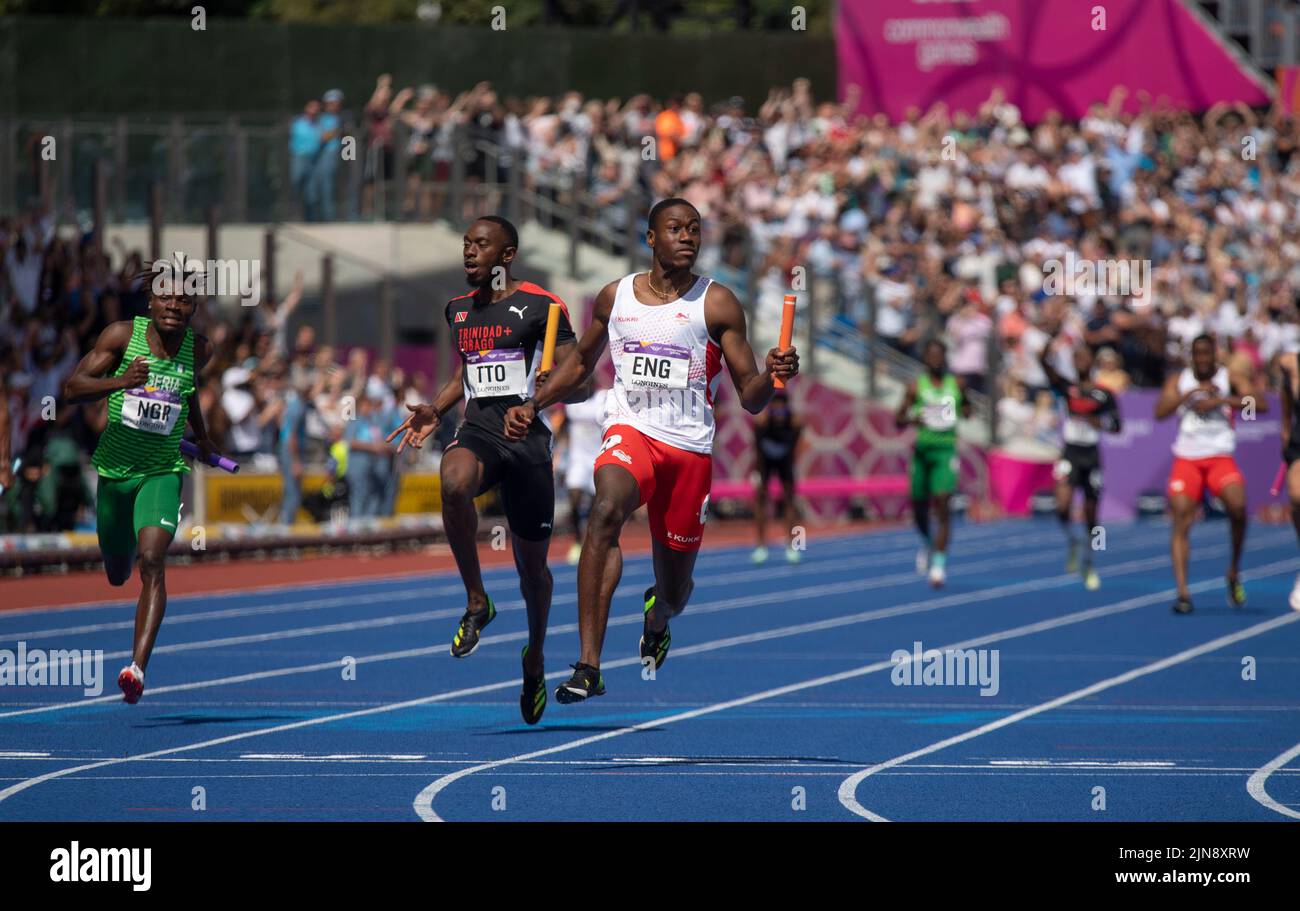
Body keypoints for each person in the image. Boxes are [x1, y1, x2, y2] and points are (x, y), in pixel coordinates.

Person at [503, 197, 799, 704]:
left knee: (677, 591)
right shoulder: (615, 297)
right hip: (630, 429)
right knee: (605, 511)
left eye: (695, 230)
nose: (688, 237)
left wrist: (773, 376)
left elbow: (750, 396)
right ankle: (589, 665)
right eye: (676, 228)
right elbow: (580, 365)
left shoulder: (717, 302)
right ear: (650, 238)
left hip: (689, 449)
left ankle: (657, 616)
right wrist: (535, 402)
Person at [387, 216, 581, 725]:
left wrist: (535, 402)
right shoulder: (457, 311)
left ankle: (535, 657)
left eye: (481, 244)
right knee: (452, 482)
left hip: (529, 444)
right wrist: (436, 407)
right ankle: (477, 601)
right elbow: (466, 370)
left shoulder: (543, 306)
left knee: (533, 574)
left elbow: (576, 378)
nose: (469, 252)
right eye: (465, 244)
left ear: (507, 254)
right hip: (480, 434)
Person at [63, 261, 221, 703]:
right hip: (114, 473)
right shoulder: (120, 336)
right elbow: (72, 388)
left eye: (184, 299)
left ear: (193, 308)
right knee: (118, 572)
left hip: (162, 471)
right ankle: (123, 543)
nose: (174, 304)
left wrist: (203, 438)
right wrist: (121, 381)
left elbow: (185, 393)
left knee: (152, 560)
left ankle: (136, 668)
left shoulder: (199, 349)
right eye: (166, 296)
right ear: (151, 301)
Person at [1155, 334, 1261, 614]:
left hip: (1219, 457)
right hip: (1187, 458)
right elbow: (1160, 412)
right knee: (1181, 517)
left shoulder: (1230, 377)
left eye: (1206, 354)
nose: (1201, 359)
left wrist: (1222, 400)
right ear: (1192, 356)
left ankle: (1233, 571)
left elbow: (1259, 405)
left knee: (1238, 507)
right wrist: (1187, 396)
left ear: (1215, 355)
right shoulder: (1180, 380)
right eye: (1197, 354)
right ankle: (1183, 593)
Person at [1039, 328, 1121, 590]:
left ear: (1092, 362)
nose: (1082, 361)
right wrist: (1054, 337)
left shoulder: (1103, 394)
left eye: (1086, 357)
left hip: (1092, 454)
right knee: (1062, 505)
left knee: (1092, 515)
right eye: (1078, 357)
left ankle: (1090, 560)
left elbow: (1117, 426)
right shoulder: (1067, 388)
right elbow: (1043, 362)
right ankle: (1072, 540)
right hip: (1070, 452)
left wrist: (1101, 422)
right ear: (1073, 362)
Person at [895, 339, 970, 588]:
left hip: (945, 452)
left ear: (945, 357)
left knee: (942, 502)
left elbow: (968, 409)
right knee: (918, 509)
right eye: (931, 356)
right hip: (922, 453)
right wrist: (912, 419)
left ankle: (938, 566)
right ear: (925, 359)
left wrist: (963, 409)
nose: (936, 359)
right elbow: (898, 419)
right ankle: (928, 543)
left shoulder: (957, 384)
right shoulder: (916, 387)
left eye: (940, 355)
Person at [559, 384, 610, 565]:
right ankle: (577, 541)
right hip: (578, 459)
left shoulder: (603, 398)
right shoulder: (572, 402)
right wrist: (559, 456)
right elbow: (564, 428)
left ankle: (593, 541)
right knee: (574, 498)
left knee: (598, 507)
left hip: (599, 456)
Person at [751, 388, 803, 563]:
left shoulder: (795, 423)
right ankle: (760, 546)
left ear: (787, 409)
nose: (779, 413)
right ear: (770, 408)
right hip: (765, 462)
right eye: (775, 409)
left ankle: (793, 546)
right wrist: (757, 474)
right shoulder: (762, 424)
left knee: (790, 500)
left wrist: (793, 469)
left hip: (785, 462)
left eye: (782, 409)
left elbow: (795, 448)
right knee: (760, 500)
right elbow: (757, 451)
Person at [1275, 351, 1300, 610]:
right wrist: (1284, 427)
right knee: (1296, 495)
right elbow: (1285, 395)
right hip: (1299, 437)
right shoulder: (1290, 362)